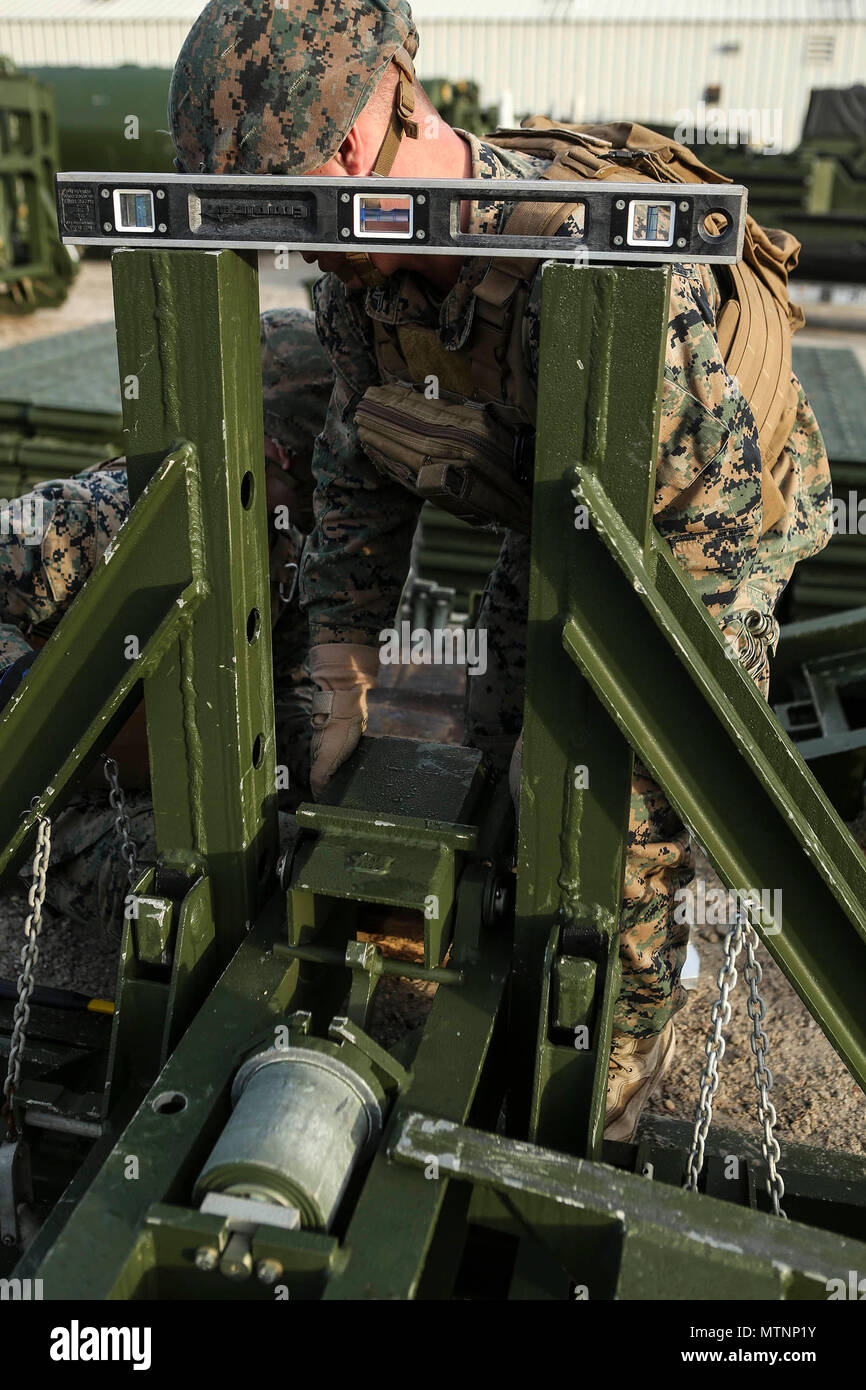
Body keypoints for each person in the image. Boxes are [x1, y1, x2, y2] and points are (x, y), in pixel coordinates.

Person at [175, 0, 833, 1138]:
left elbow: (701, 535)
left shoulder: (595, 272)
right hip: (562, 495)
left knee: (617, 816)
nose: (293, 250)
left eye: (285, 209)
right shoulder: (363, 279)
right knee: (497, 738)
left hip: (707, 519)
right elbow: (360, 469)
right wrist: (339, 671)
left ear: (352, 148)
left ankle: (610, 1073)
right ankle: (508, 962)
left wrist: (586, 747)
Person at [0, 309, 332, 937]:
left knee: (324, 841)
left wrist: (324, 762)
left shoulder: (282, 544)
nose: (308, 512)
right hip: (57, 808)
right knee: (233, 876)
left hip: (171, 776)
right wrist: (40, 705)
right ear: (260, 447)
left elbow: (281, 692)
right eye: (302, 481)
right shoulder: (112, 517)